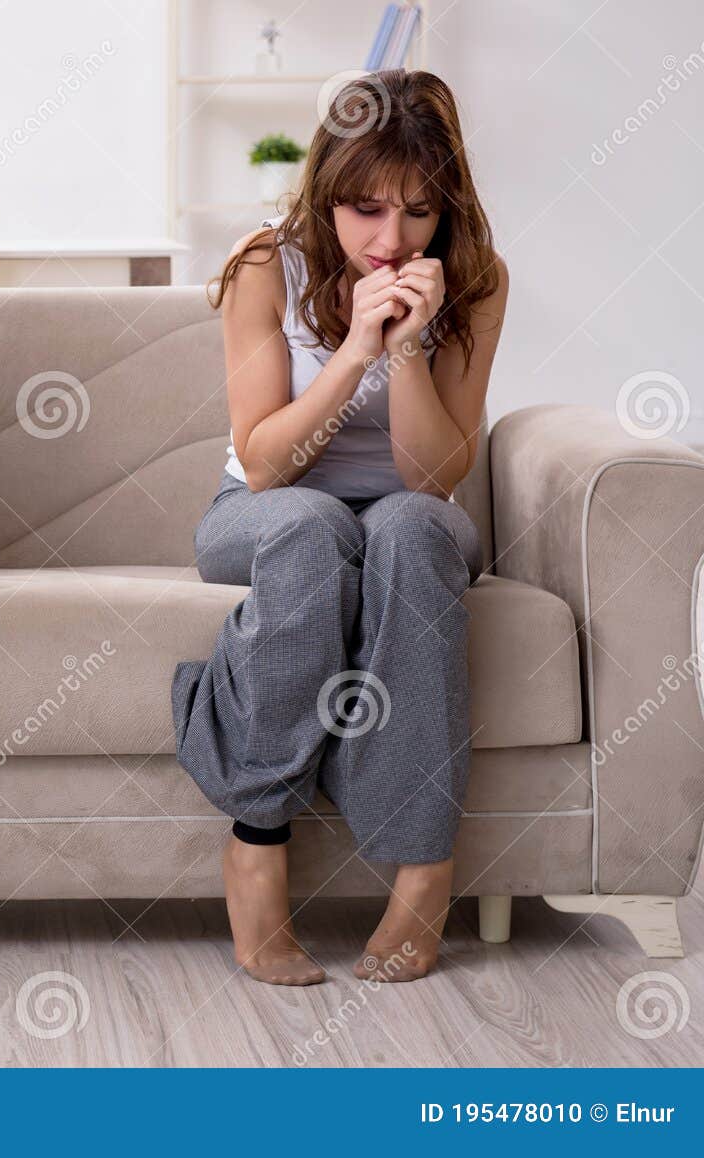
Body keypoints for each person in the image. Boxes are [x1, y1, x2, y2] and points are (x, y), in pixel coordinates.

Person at [170, 70, 509, 986]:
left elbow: (435, 481)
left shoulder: (474, 283)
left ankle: (424, 868)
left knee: (409, 531)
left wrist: (406, 351)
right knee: (315, 527)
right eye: (364, 210)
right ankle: (256, 840)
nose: (390, 241)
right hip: (265, 513)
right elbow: (269, 462)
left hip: (409, 516)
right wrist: (355, 345)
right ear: (326, 192)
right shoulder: (262, 266)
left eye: (417, 213)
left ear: (448, 210)